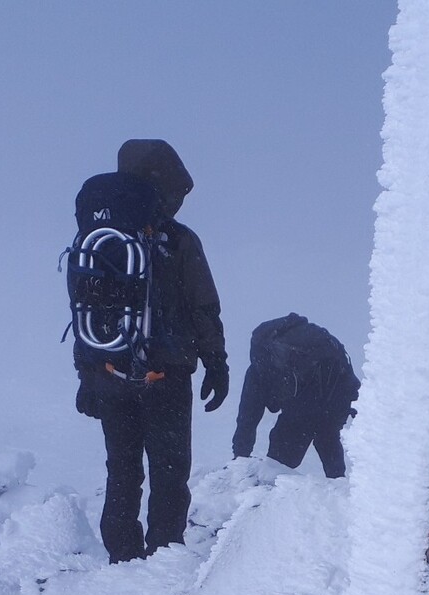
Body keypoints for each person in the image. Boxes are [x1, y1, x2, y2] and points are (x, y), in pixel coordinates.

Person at [74, 139, 229, 562]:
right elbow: (203, 306)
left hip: (109, 371)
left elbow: (83, 304)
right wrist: (217, 363)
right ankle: (163, 556)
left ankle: (122, 556)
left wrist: (87, 377)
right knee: (169, 472)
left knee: (122, 471)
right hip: (167, 375)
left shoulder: (97, 239)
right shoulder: (179, 240)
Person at [232, 314, 361, 479]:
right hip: (339, 389)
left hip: (316, 393)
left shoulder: (260, 372)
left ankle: (274, 489)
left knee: (280, 459)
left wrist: (240, 455)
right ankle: (338, 486)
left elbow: (247, 416)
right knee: (327, 436)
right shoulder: (277, 361)